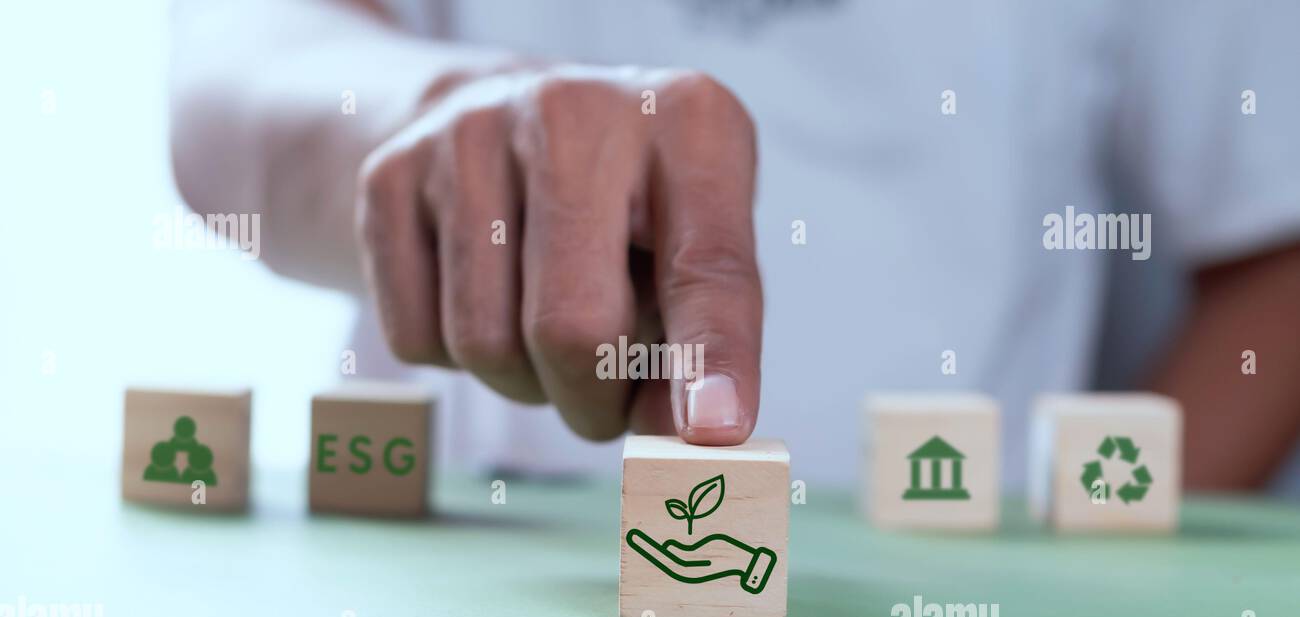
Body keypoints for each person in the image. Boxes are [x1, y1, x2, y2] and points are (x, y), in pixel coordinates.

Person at [169, 0, 1300, 489]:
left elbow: (1274, 248)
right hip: (476, 552)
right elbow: (231, 86)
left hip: (967, 589)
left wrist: (1085, 573)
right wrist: (444, 111)